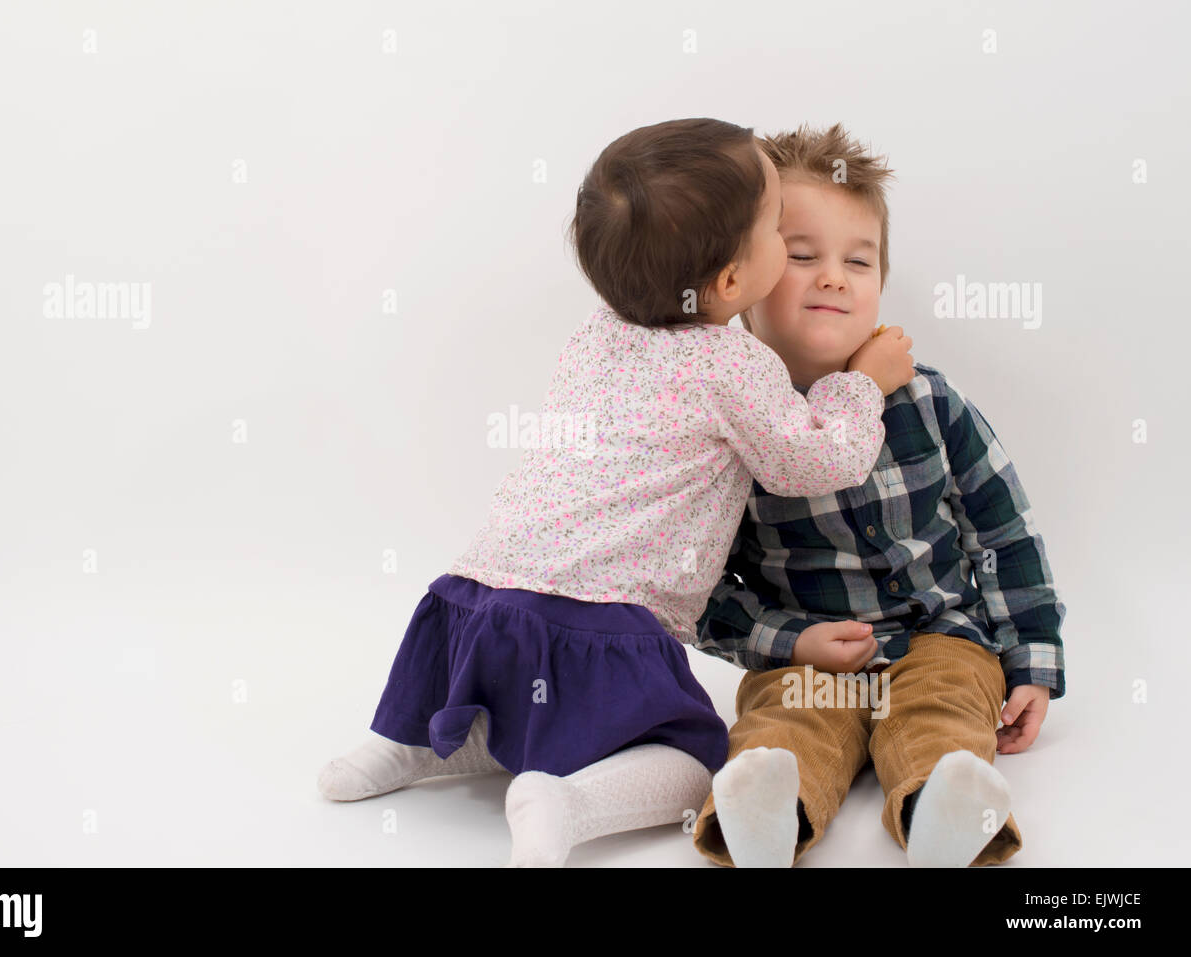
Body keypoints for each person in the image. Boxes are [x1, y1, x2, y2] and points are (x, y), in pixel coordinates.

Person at [319, 117, 915, 867]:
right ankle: (566, 804)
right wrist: (861, 386)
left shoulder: (598, 329)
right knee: (697, 758)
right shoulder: (734, 364)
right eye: (778, 229)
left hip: (477, 597)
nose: (785, 236)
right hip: (596, 623)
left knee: (510, 701)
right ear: (731, 283)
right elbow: (813, 462)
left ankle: (404, 743)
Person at [689, 124, 1066, 868]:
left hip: (939, 639)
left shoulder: (929, 402)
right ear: (744, 282)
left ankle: (942, 806)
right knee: (787, 720)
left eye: (857, 261)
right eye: (801, 256)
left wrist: (1031, 660)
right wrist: (788, 640)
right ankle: (766, 812)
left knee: (943, 704)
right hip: (809, 657)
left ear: (880, 284)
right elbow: (697, 587)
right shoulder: (731, 432)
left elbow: (1004, 532)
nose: (834, 277)